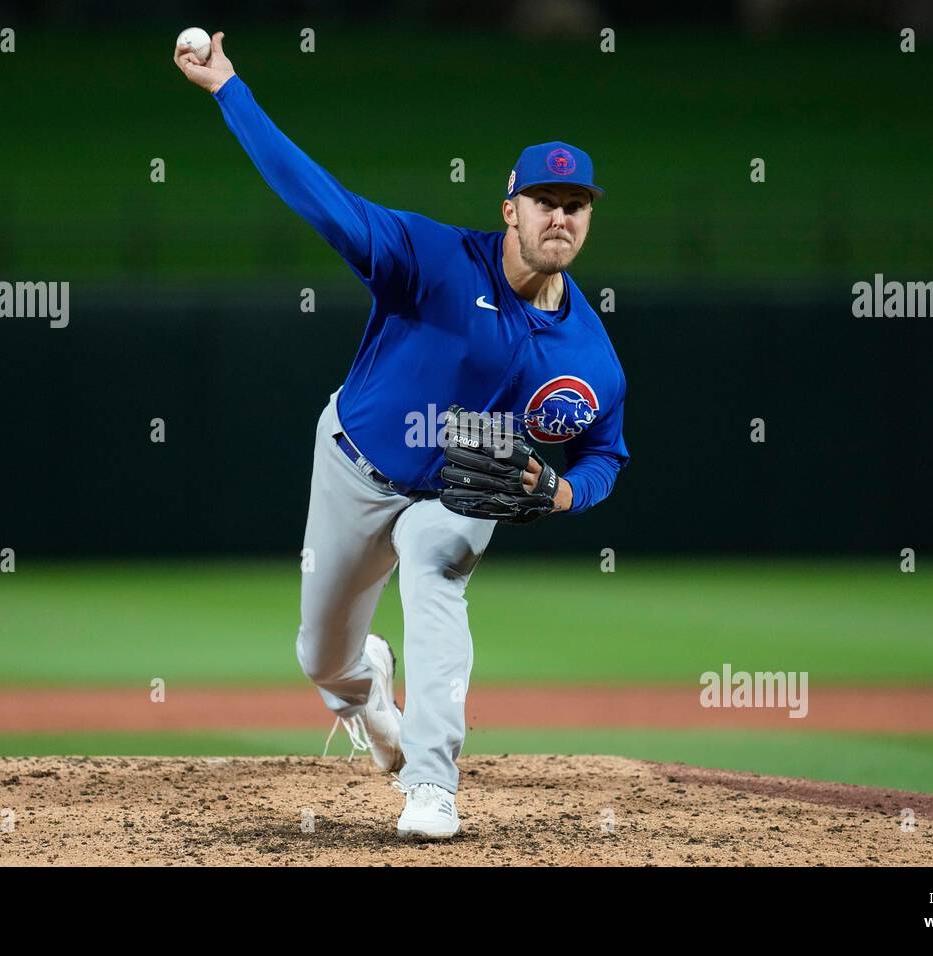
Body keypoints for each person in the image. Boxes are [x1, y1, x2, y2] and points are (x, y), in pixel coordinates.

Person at [174, 31, 629, 840]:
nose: (560, 216)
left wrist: (563, 491)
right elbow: (321, 199)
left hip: (456, 488)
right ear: (510, 209)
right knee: (321, 658)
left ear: (588, 218)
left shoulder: (590, 353)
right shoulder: (433, 257)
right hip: (352, 462)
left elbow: (605, 456)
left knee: (435, 575)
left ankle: (433, 786)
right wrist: (229, 91)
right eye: (545, 201)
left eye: (576, 205)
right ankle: (368, 696)